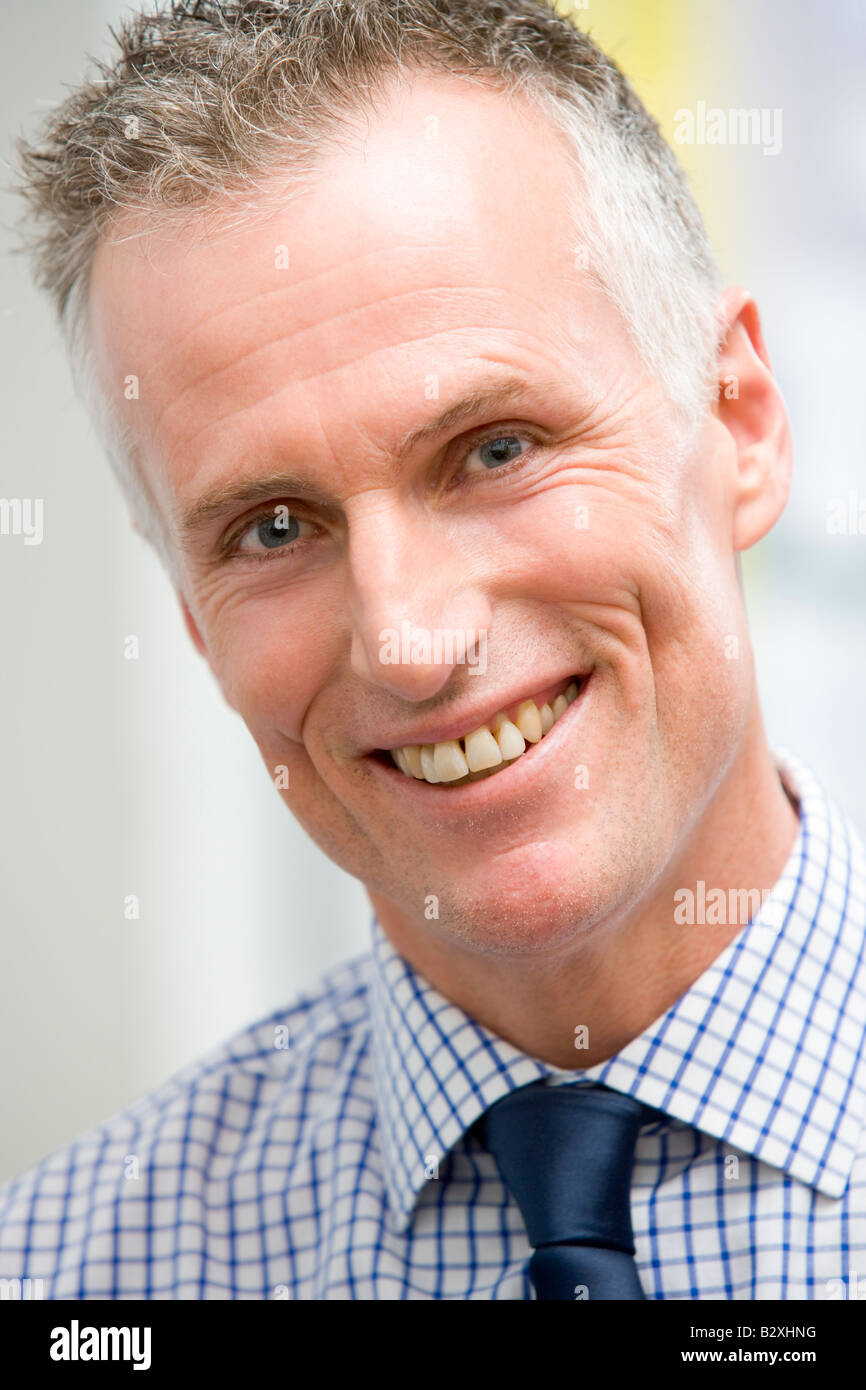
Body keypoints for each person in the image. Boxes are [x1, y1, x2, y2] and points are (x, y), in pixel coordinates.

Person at [1, 0, 863, 1301]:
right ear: (190, 612)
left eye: (495, 448)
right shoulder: (72, 1278)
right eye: (271, 526)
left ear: (736, 421)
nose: (408, 639)